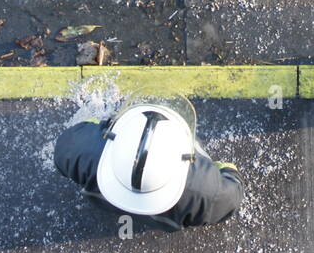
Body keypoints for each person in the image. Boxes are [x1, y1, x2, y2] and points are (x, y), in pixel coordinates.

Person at [54, 98, 243, 231]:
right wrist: (222, 168)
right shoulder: (210, 194)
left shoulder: (76, 148)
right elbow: (232, 185)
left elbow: (78, 138)